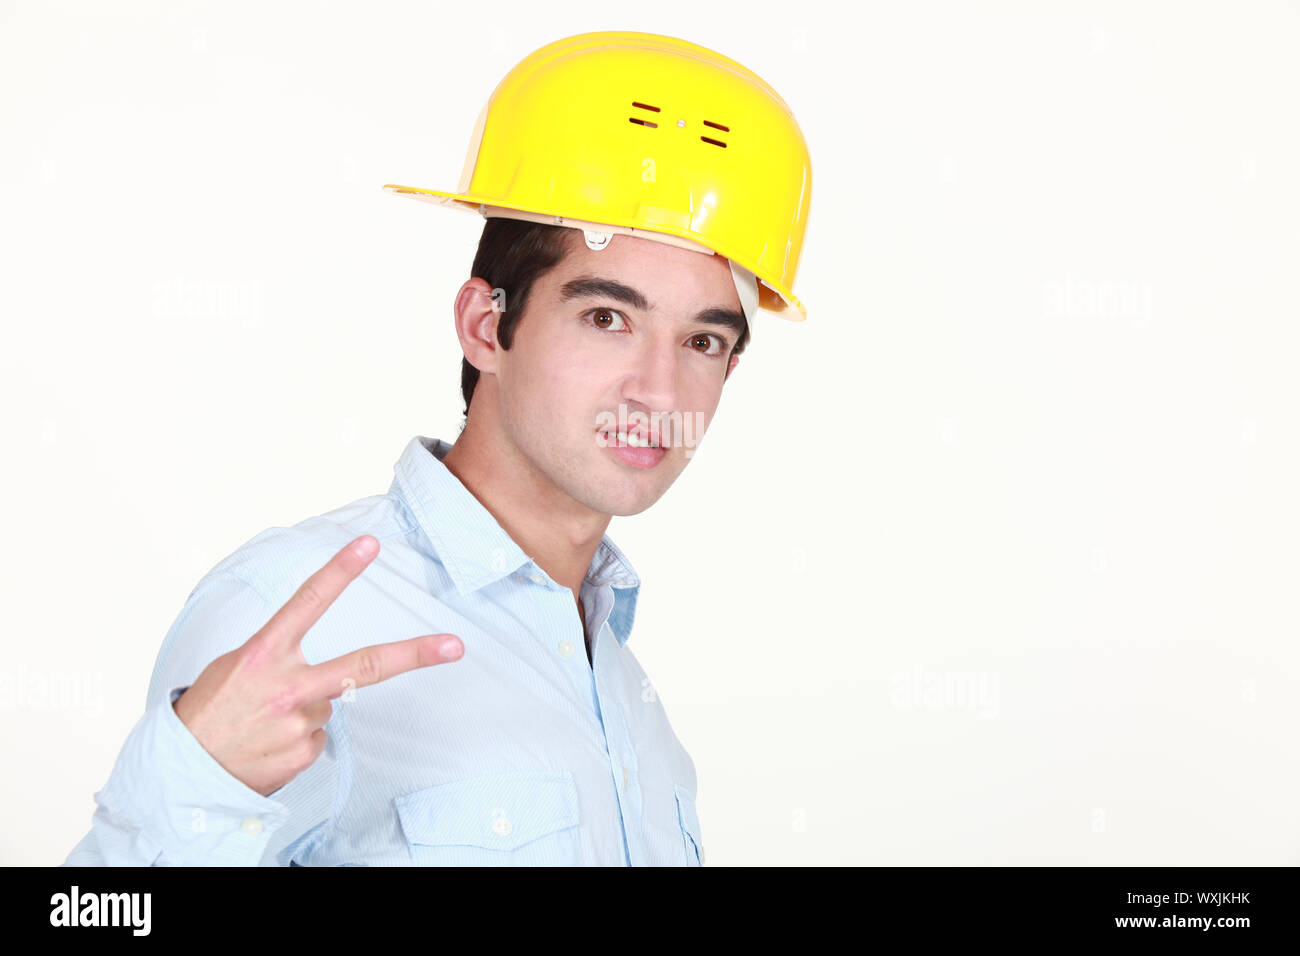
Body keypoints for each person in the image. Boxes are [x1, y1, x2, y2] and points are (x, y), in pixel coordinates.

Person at [62, 29, 812, 866]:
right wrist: (190, 794)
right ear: (486, 326)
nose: (658, 391)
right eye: (607, 319)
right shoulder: (296, 617)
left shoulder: (630, 700)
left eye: (702, 343)